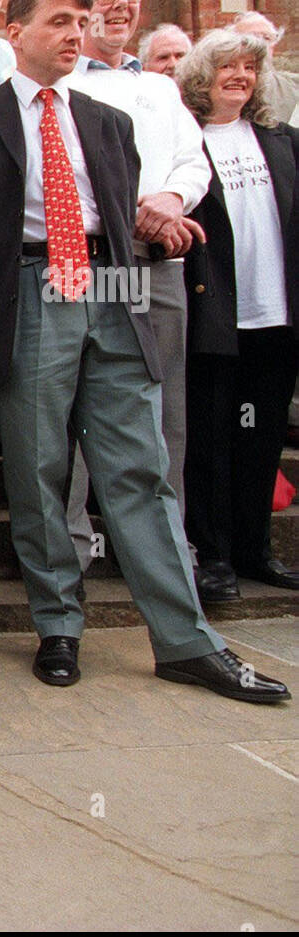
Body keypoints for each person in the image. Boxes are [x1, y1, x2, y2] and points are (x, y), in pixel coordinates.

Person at [0, 0, 289, 703]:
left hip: (115, 293)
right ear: (16, 27)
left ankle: (186, 641)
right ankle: (58, 624)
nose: (75, 33)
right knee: (38, 470)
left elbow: (117, 214)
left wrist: (153, 226)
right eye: (59, 21)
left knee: (143, 470)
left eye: (82, 22)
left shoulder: (106, 120)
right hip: (31, 297)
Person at [63, 0, 211, 574]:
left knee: (162, 408)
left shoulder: (160, 87)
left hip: (157, 260)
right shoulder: (60, 82)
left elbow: (191, 160)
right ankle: (67, 548)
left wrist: (172, 201)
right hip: (87, 261)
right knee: (69, 406)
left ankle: (159, 551)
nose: (120, 5)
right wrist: (133, 211)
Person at [176, 29, 299, 601]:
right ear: (204, 75)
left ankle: (256, 550)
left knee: (262, 438)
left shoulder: (282, 141)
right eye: (228, 66)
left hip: (276, 317)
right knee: (210, 439)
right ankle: (214, 555)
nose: (240, 76)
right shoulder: (188, 139)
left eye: (250, 68)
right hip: (215, 315)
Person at [232, 12, 299, 125]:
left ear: (273, 45)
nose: (261, 44)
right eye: (250, 38)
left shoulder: (294, 86)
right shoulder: (220, 88)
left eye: (267, 38)